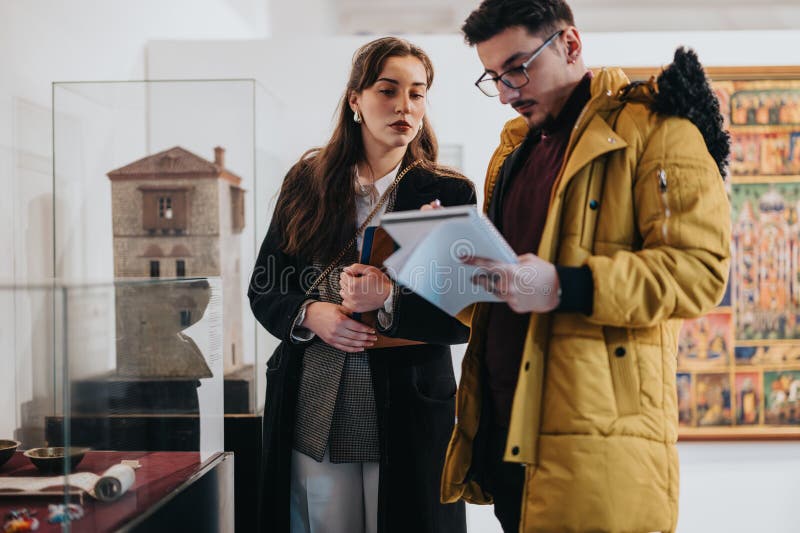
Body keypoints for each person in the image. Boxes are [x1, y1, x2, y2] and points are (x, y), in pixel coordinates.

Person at [438, 1, 732, 532]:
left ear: (571, 45)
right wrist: (453, 262)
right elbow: (509, 289)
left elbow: (699, 272)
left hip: (597, 449)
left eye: (518, 68)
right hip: (506, 440)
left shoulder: (658, 130)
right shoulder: (513, 153)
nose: (506, 92)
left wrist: (564, 286)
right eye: (493, 77)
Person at [249, 37, 475, 533]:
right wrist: (311, 314)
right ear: (355, 99)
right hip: (315, 395)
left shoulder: (446, 190)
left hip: (407, 400)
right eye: (388, 90)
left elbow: (463, 316)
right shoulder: (306, 182)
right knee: (320, 521)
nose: (404, 106)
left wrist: (389, 297)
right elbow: (264, 287)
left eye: (417, 94)